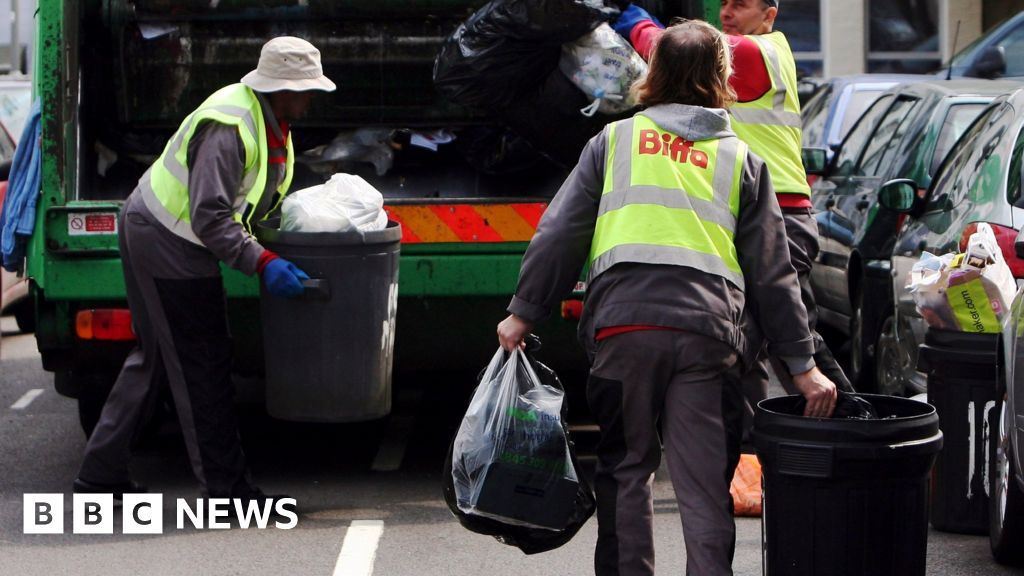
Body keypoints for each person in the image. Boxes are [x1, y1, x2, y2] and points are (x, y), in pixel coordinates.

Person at [496, 20, 836, 576]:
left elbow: (560, 233)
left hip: (625, 331)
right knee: (704, 485)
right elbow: (773, 275)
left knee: (627, 471)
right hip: (709, 338)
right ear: (721, 78)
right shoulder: (744, 161)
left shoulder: (614, 141)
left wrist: (523, 312)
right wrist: (801, 365)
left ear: (652, 75)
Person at [73, 37, 336, 503]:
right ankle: (227, 493)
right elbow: (209, 216)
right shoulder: (230, 128)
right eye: (306, 89)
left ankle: (100, 473)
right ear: (282, 88)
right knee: (203, 363)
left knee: (156, 359)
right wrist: (263, 262)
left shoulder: (270, 119)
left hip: (162, 230)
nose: (312, 97)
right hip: (169, 239)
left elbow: (247, 200)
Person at [614, 0, 855, 438]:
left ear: (769, 15)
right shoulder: (763, 50)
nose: (727, 12)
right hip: (755, 209)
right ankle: (751, 458)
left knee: (793, 338)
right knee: (749, 343)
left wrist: (630, 16)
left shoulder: (754, 53)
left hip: (777, 216)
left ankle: (855, 428)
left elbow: (667, 47)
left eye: (740, 5)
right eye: (724, 3)